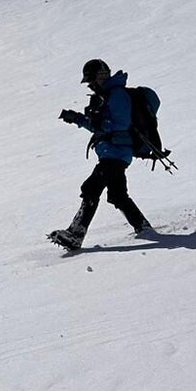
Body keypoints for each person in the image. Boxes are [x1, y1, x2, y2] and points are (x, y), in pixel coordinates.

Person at [48, 59, 156, 251]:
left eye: (98, 77)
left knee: (91, 188)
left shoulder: (117, 94)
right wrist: (79, 119)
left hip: (116, 152)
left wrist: (98, 122)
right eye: (94, 78)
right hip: (112, 152)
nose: (94, 82)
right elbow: (100, 128)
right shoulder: (105, 96)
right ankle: (143, 226)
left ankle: (76, 233)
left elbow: (120, 124)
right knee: (117, 195)